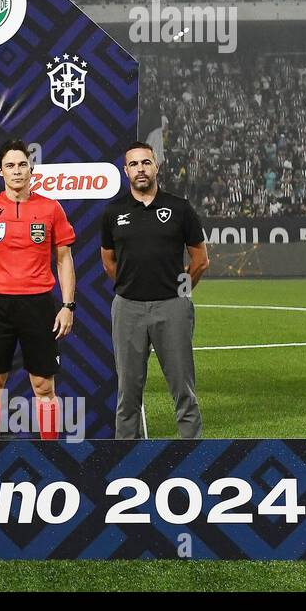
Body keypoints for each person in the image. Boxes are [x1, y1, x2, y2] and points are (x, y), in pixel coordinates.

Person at [0, 140, 75, 440]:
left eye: (22, 164)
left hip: (38, 305)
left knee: (43, 387)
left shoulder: (51, 208)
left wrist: (68, 306)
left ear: (31, 168)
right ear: (0, 171)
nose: (17, 171)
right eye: (10, 166)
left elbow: (64, 258)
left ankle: (51, 453)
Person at [101, 141, 210, 439]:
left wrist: (181, 292)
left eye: (146, 163)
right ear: (126, 171)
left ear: (156, 166)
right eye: (134, 164)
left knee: (183, 389)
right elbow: (108, 259)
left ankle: (191, 453)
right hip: (128, 309)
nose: (140, 169)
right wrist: (128, 285)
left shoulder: (180, 208)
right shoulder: (113, 212)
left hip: (172, 307)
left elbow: (200, 260)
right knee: (128, 393)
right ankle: (125, 458)